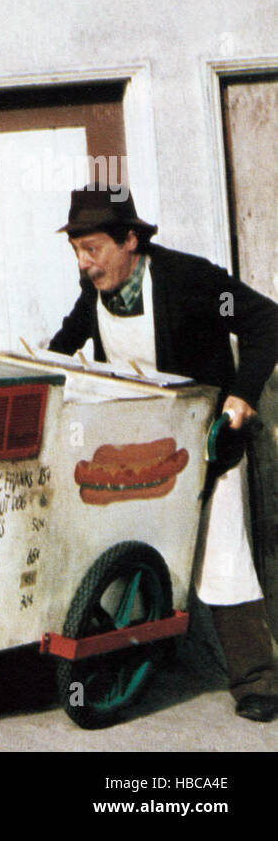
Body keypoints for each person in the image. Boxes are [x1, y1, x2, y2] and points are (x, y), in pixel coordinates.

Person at [49, 183, 278, 722]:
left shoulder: (191, 282)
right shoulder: (95, 294)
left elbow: (266, 320)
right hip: (138, 453)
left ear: (130, 239)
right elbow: (62, 345)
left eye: (93, 250)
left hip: (205, 446)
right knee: (133, 552)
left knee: (222, 554)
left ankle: (256, 678)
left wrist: (241, 398)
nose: (84, 264)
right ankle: (142, 658)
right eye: (77, 251)